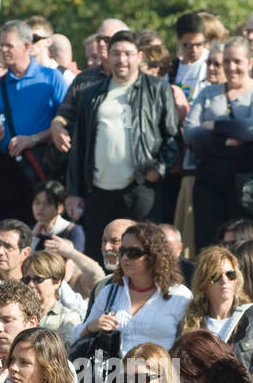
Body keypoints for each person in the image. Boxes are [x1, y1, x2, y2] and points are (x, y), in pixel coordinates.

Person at [65, 30, 180, 260]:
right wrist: (73, 191)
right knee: (99, 257)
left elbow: (173, 138)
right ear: (107, 56)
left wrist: (159, 169)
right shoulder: (90, 94)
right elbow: (78, 146)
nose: (122, 60)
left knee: (143, 255)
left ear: (139, 56)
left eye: (128, 53)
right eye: (116, 53)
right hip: (98, 190)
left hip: (140, 188)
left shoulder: (158, 89)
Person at [183, 37, 253, 248]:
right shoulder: (208, 92)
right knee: (208, 245)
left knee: (244, 247)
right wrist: (228, 138)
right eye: (226, 61)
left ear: (250, 62)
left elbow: (252, 129)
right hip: (208, 181)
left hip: (247, 184)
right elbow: (190, 132)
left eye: (237, 61)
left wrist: (213, 126)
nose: (230, 67)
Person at [0, 21, 69, 226]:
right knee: (5, 226)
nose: (3, 50)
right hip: (7, 167)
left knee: (41, 226)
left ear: (27, 46)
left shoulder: (51, 78)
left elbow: (66, 121)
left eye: (9, 46)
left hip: (41, 164)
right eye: (1, 45)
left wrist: (32, 139)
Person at [75, 221, 191, 356]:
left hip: (160, 374)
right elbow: (76, 336)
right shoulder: (109, 292)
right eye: (122, 251)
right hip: (113, 374)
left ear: (154, 255)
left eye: (133, 253)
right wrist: (91, 326)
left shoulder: (180, 296)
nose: (124, 258)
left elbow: (189, 347)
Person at [177, 245, 253, 344]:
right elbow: (176, 358)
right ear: (203, 283)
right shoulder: (189, 324)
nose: (225, 280)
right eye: (216, 276)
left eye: (230, 274)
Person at [23, 249, 81, 344]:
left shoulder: (68, 317)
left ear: (57, 282)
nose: (30, 284)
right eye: (26, 279)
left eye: (38, 279)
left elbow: (64, 353)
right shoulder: (18, 315)